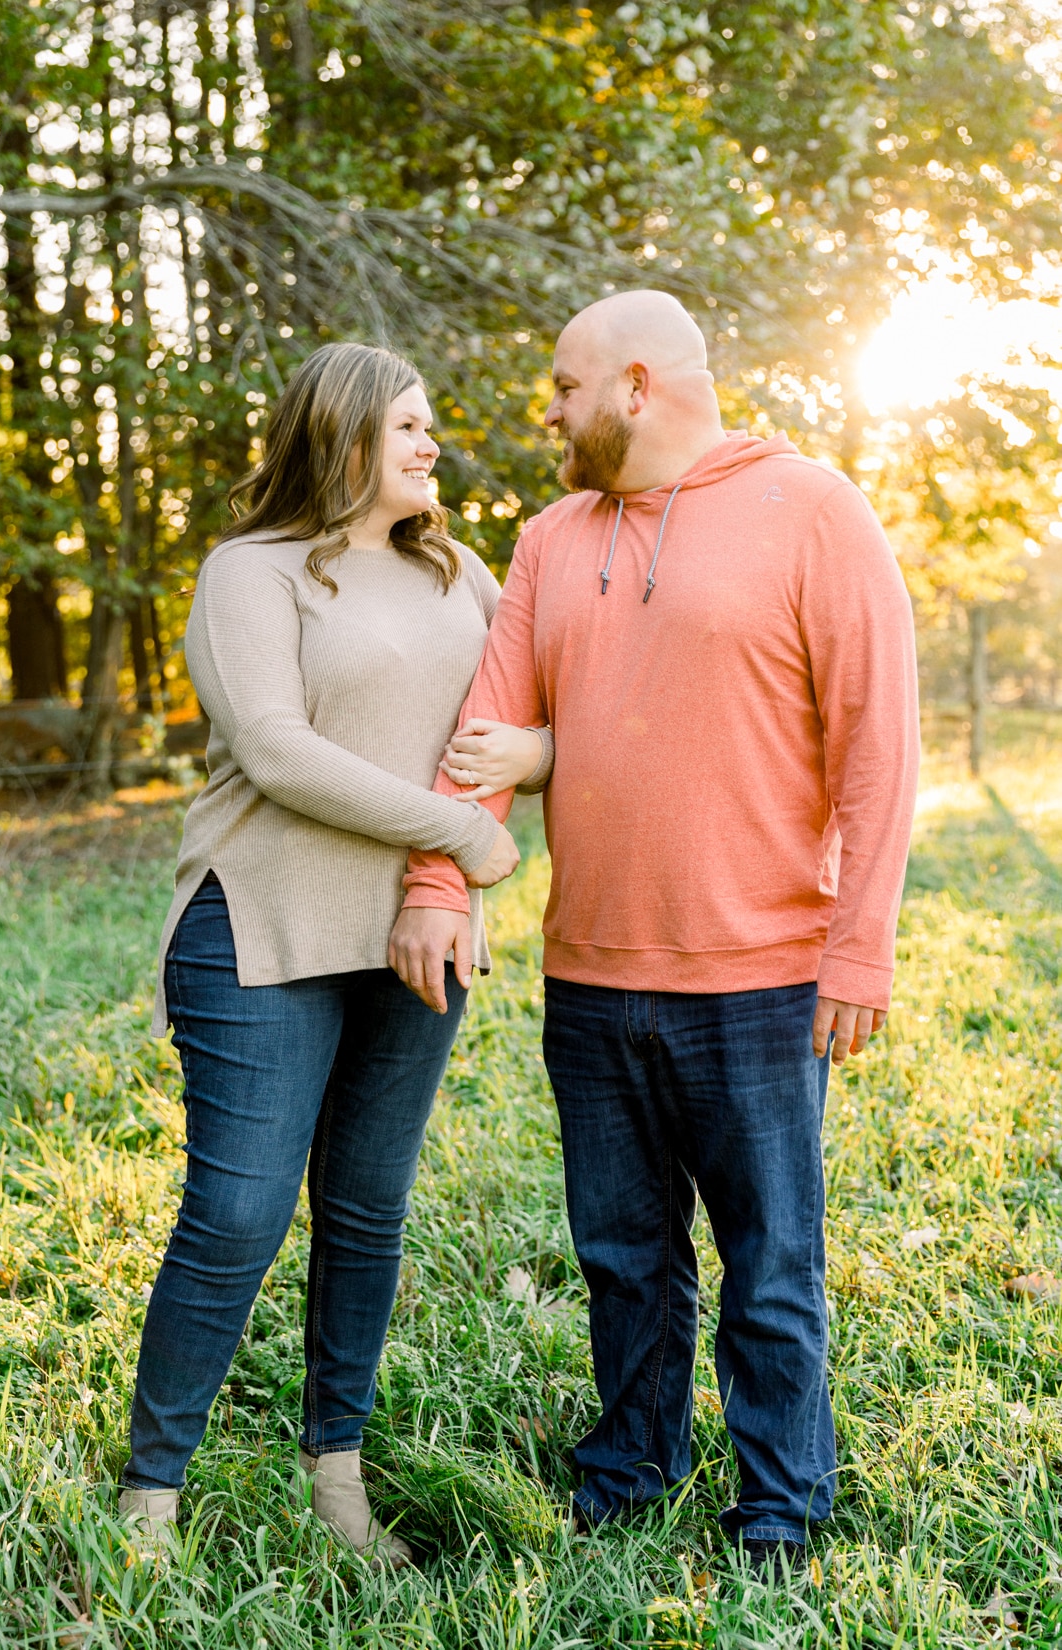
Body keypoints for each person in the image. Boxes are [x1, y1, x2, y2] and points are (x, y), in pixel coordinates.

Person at [389, 291, 920, 1570]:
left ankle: (779, 1502)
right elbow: (483, 731)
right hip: (589, 976)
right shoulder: (549, 539)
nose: (549, 417)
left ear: (632, 386)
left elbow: (875, 748)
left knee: (770, 1263)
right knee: (621, 1255)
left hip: (760, 978)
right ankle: (628, 1468)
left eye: (563, 390)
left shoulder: (814, 512)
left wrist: (858, 945)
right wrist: (434, 885)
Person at [118, 341, 549, 1568]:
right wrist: (461, 834)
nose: (431, 447)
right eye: (407, 427)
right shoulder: (249, 573)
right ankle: (153, 1494)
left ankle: (338, 1481)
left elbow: (521, 727)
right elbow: (274, 749)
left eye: (430, 427)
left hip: (419, 940)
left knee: (365, 1212)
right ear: (342, 435)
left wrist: (528, 771)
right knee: (237, 1214)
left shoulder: (461, 574)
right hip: (262, 926)